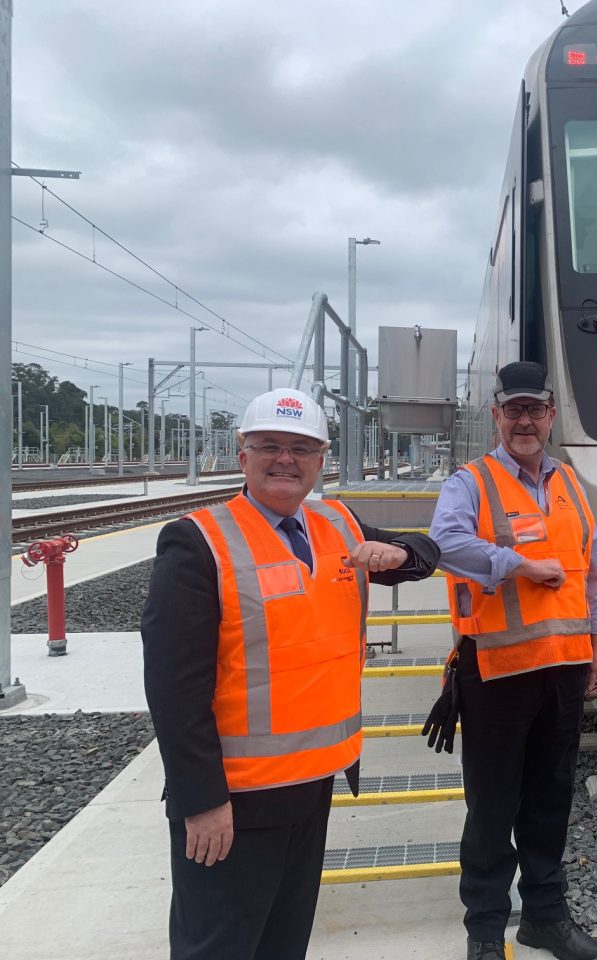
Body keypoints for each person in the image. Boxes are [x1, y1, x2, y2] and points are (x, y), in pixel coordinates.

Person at [141, 387, 440, 960]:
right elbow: (174, 690)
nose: (286, 459)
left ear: (321, 460)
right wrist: (199, 800)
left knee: (283, 941)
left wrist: (402, 554)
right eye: (269, 446)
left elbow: (423, 552)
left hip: (313, 785)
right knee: (220, 945)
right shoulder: (198, 542)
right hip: (236, 800)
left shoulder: (336, 523)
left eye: (301, 448)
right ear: (241, 454)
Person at [427, 360, 597, 960]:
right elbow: (446, 544)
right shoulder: (471, 483)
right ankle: (484, 930)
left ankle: (545, 919)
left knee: (550, 802)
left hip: (561, 671)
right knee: (491, 808)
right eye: (514, 411)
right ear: (496, 416)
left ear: (551, 415)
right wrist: (520, 565)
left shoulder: (570, 485)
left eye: (535, 410)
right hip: (497, 674)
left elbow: (592, 572)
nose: (524, 421)